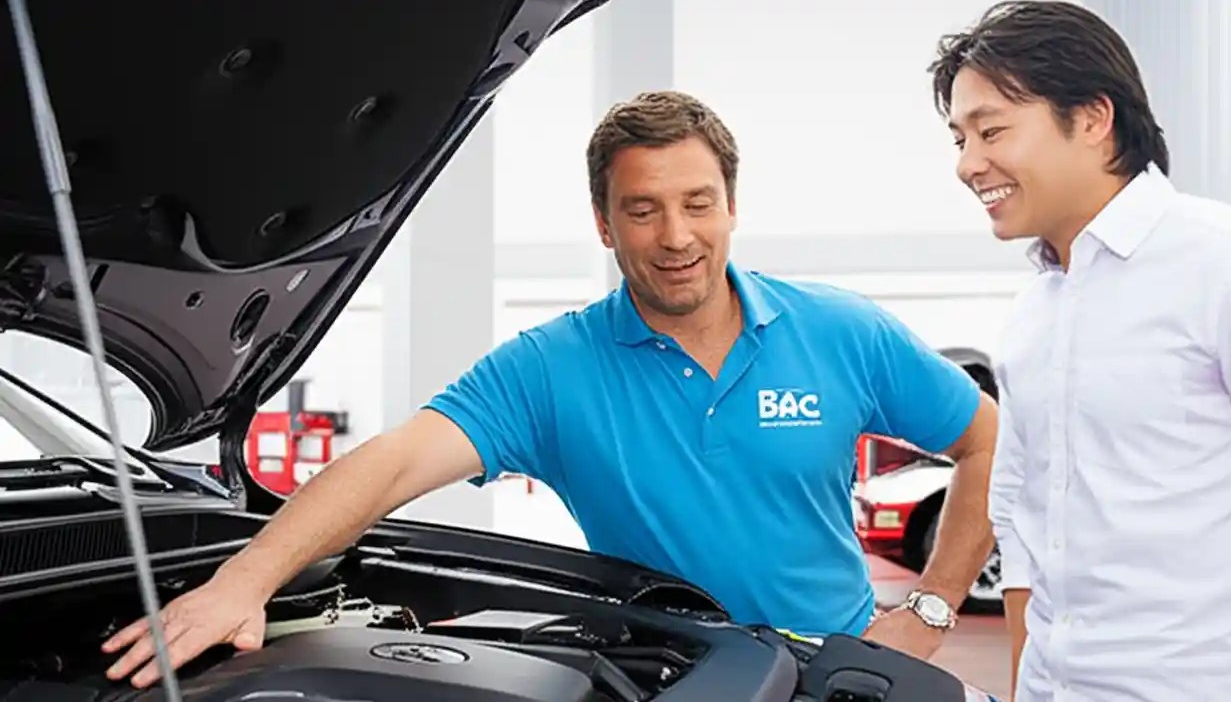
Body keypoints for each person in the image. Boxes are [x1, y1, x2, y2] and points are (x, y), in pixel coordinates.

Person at [101, 90, 998, 689]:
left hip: (846, 673)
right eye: (643, 209)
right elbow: (389, 463)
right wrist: (244, 580)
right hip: (674, 674)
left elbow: (987, 440)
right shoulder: (547, 370)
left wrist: (928, 607)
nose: (675, 235)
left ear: (731, 205)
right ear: (604, 224)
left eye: (697, 203)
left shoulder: (841, 331)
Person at [930, 0, 1231, 702]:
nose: (970, 165)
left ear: (1092, 119)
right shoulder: (1037, 308)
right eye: (958, 140)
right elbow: (1024, 518)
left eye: (991, 130)